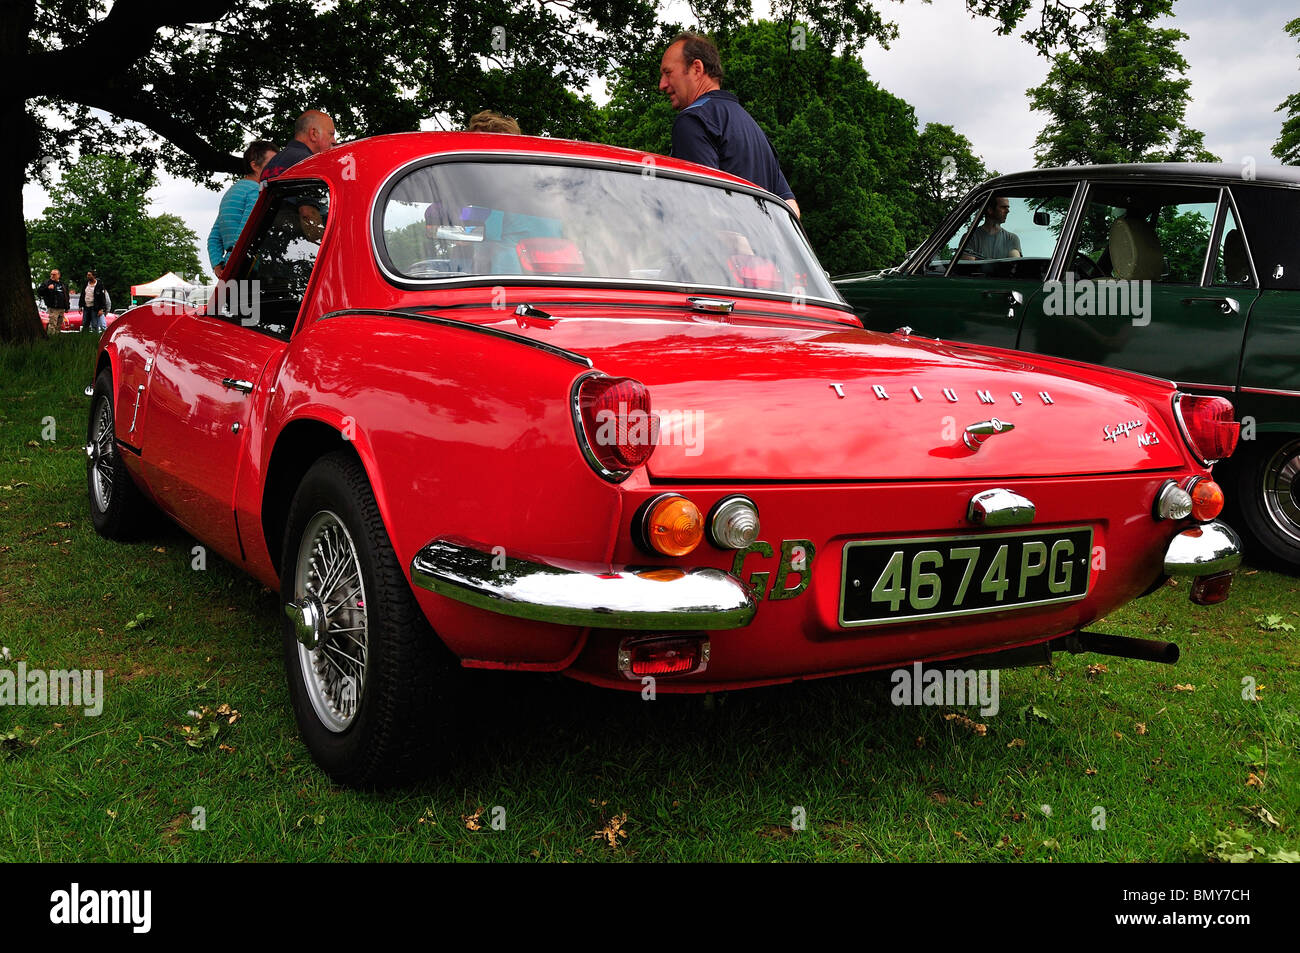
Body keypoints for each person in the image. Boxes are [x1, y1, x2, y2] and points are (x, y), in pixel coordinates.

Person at [659, 32, 800, 217]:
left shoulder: (693, 120)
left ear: (696, 68)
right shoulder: (754, 129)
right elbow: (791, 207)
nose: (662, 84)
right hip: (766, 245)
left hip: (722, 246)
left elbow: (703, 207)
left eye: (668, 73)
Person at [207, 140, 277, 271]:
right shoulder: (255, 191)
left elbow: (214, 237)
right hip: (246, 268)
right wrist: (232, 265)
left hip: (232, 269)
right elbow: (246, 233)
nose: (277, 168)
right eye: (272, 164)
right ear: (255, 166)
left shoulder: (232, 192)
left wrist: (218, 265)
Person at [260, 110, 336, 181]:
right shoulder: (310, 163)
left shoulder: (269, 166)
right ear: (314, 134)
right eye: (331, 134)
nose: (334, 141)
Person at [39, 269, 70, 336]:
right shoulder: (47, 283)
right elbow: (39, 292)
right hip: (53, 307)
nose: (52, 276)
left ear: (59, 275)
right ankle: (51, 338)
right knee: (52, 324)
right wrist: (47, 288)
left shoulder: (63, 284)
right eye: (51, 274)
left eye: (54, 274)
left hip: (62, 308)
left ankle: (56, 339)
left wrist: (67, 307)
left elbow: (66, 296)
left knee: (59, 325)